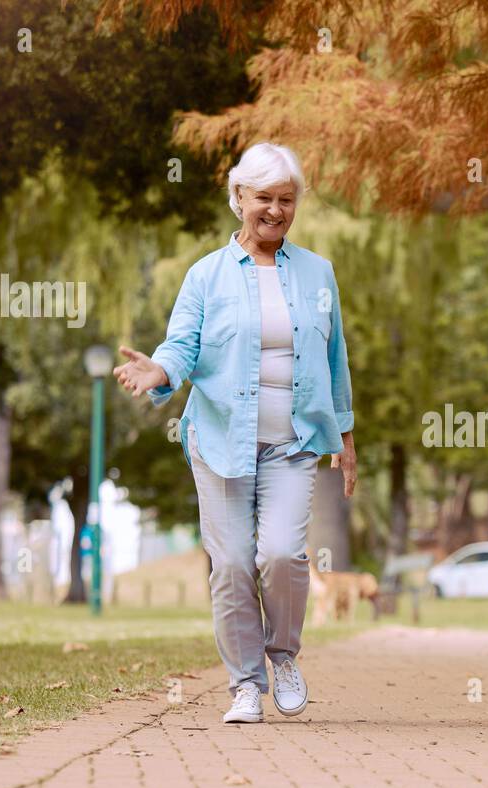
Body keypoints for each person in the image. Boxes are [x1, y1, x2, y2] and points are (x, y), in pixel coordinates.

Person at [113, 143, 356, 723]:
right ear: (239, 198)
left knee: (280, 554)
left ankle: (284, 656)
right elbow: (182, 346)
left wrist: (345, 439)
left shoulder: (318, 273)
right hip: (220, 441)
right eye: (264, 198)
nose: (275, 211)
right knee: (231, 565)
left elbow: (335, 359)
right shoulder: (207, 276)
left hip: (293, 443)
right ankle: (245, 683)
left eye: (287, 200)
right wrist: (160, 371)